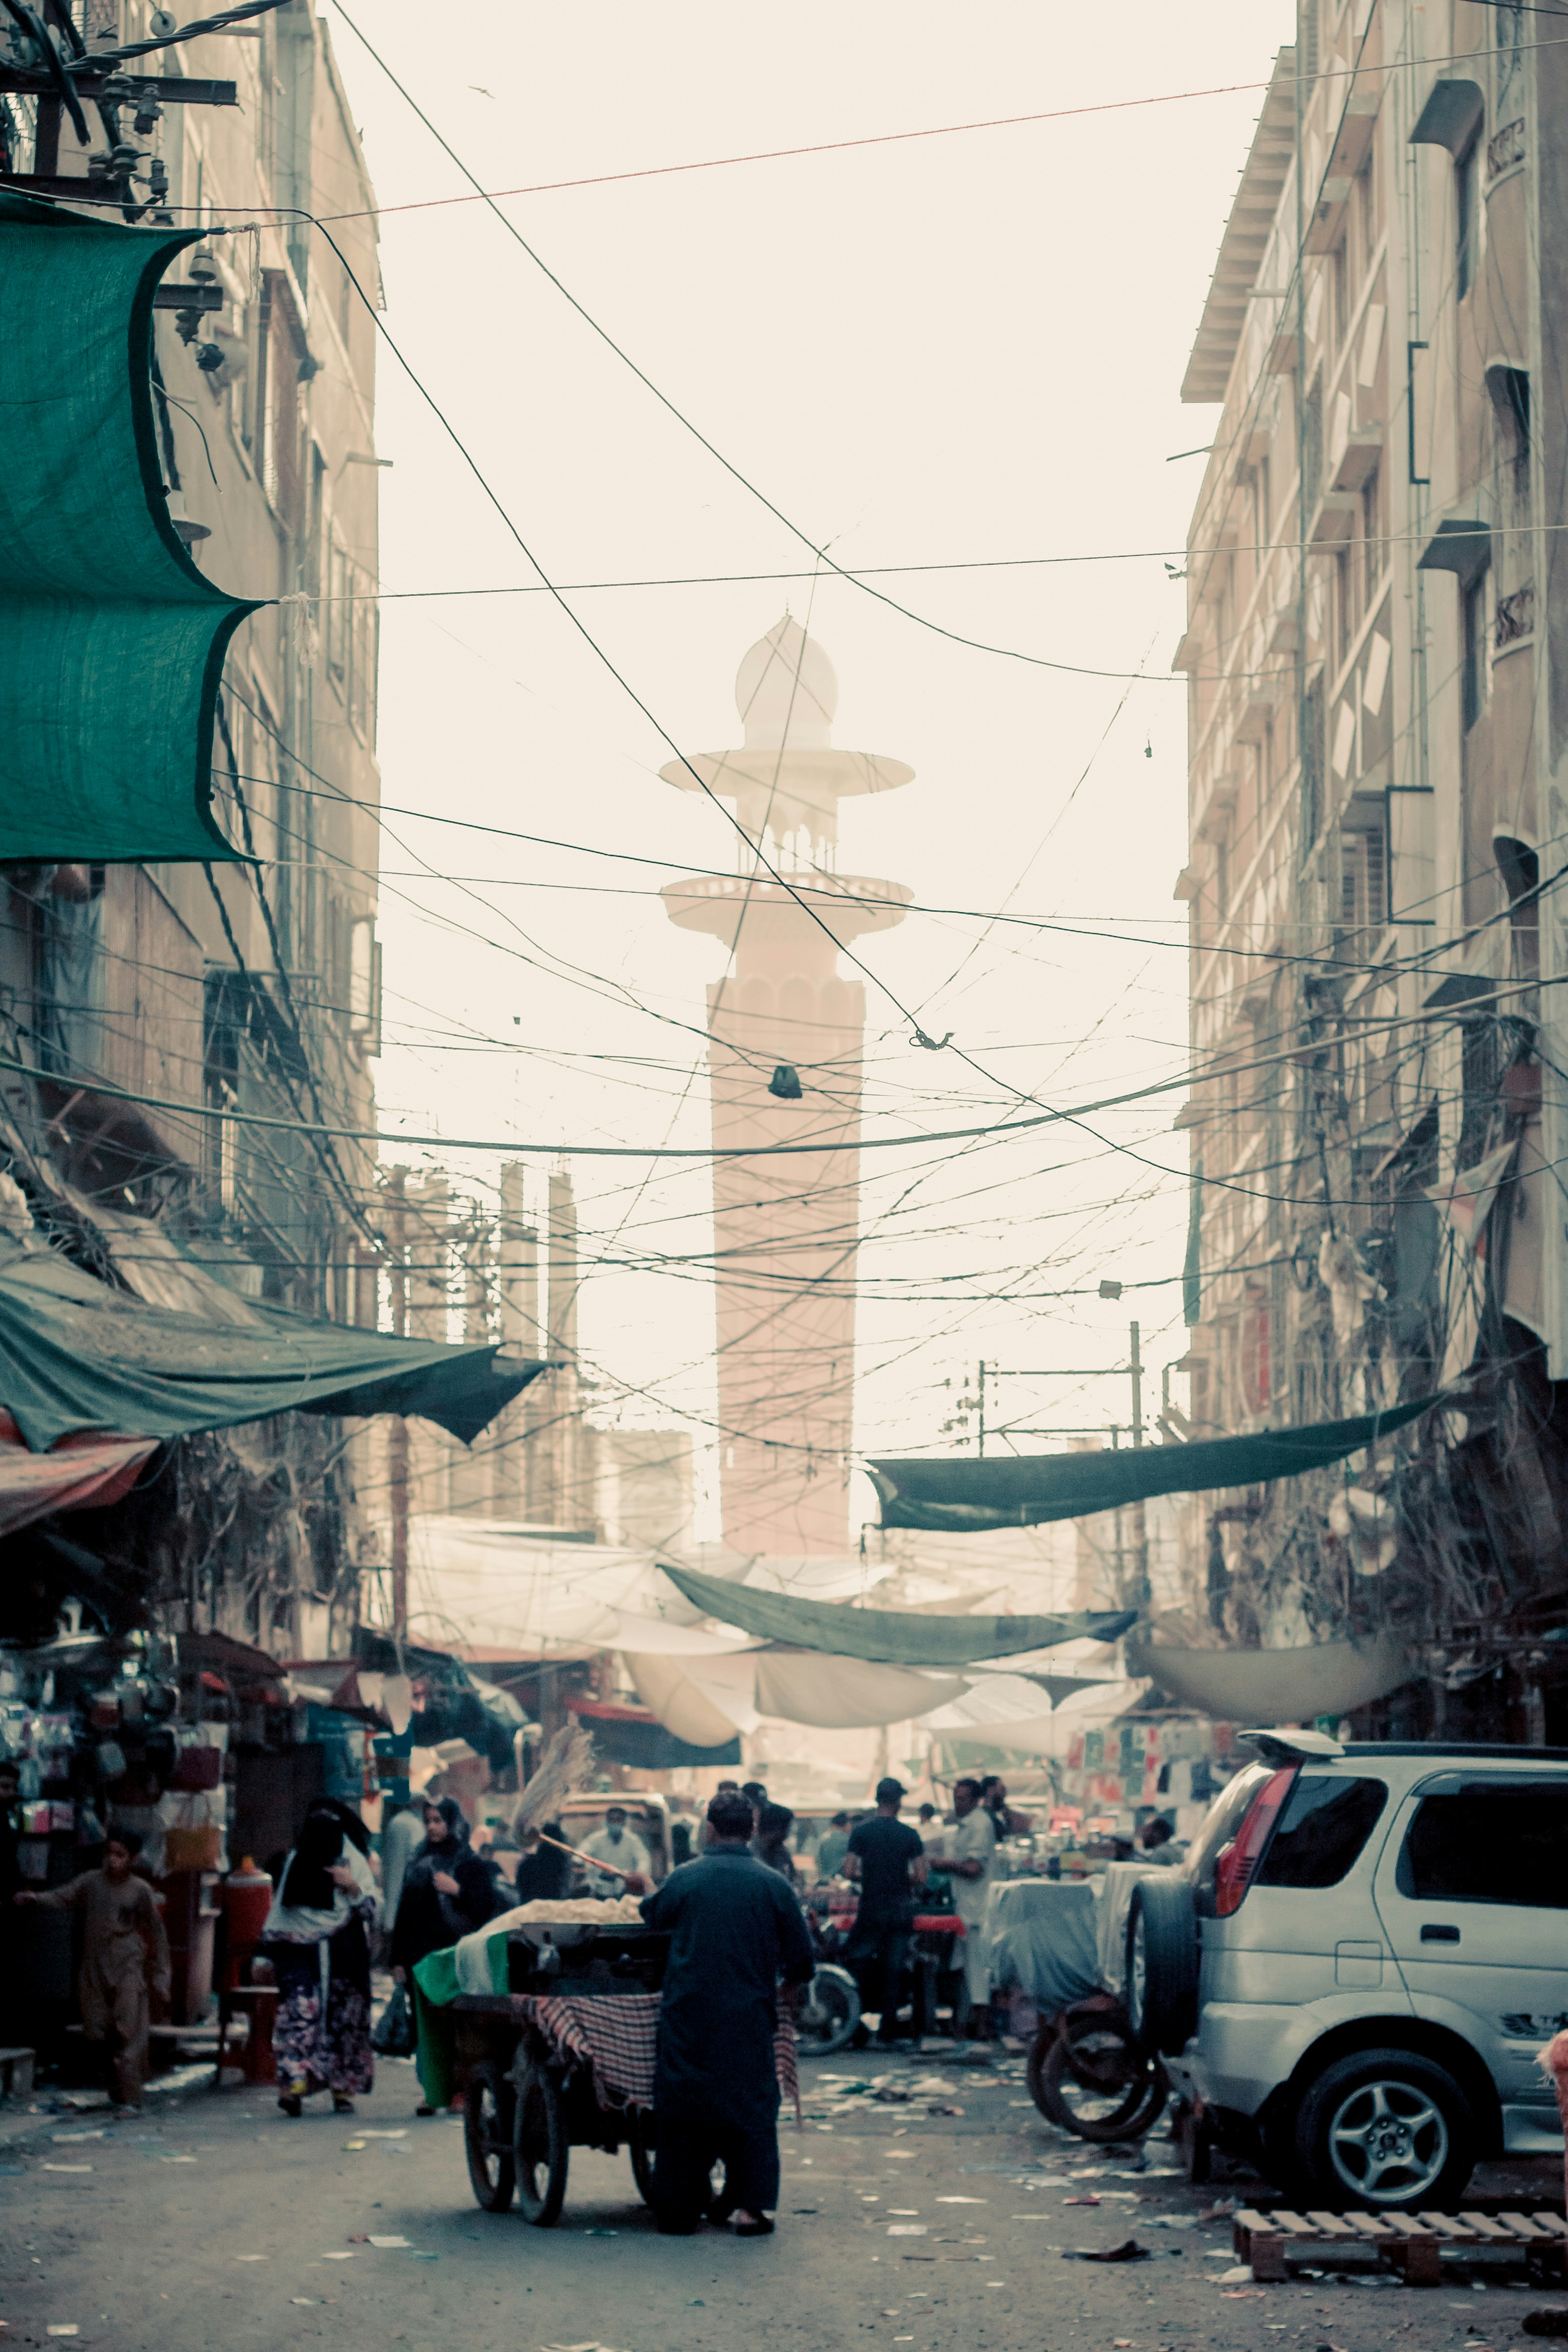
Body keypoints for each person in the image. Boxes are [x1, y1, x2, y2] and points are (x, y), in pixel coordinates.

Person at [632, 1789, 814, 2237]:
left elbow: (653, 1917)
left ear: (709, 1829)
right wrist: (787, 1991)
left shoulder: (686, 1877)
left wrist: (644, 1888)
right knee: (752, 2110)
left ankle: (679, 2210)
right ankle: (753, 2210)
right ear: (751, 1830)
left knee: (683, 2109)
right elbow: (802, 1961)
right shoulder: (774, 1884)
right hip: (748, 2020)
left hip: (689, 2019)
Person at [13, 1830, 169, 2111]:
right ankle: (116, 2089)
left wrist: (161, 1976)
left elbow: (157, 1933)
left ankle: (131, 2099)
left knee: (129, 2030)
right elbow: (64, 1897)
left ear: (133, 1859)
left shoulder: (140, 1890)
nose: (112, 1860)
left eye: (120, 1855)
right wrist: (35, 1899)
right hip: (94, 1966)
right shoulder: (91, 1882)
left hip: (128, 1965)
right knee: (97, 2030)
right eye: (109, 1853)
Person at [259, 1799, 378, 2118]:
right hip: (300, 1957)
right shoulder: (296, 1863)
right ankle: (294, 2087)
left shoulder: (353, 1863)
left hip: (345, 1958)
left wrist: (351, 1887)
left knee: (345, 2021)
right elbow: (280, 1923)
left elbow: (370, 1909)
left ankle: (342, 2090)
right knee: (300, 2014)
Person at [390, 1796, 499, 2110]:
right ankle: (433, 2091)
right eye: (429, 1822)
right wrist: (398, 1959)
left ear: (453, 1823)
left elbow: (487, 1907)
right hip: (422, 1958)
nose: (433, 1827)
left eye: (439, 1821)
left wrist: (458, 1891)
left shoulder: (469, 1863)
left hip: (457, 1956)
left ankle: (461, 2090)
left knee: (458, 2024)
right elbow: (405, 1913)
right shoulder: (418, 1861)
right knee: (428, 2026)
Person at [843, 1779, 927, 2047]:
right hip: (900, 1910)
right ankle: (887, 2031)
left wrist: (869, 1876)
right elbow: (921, 1875)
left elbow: (848, 1871)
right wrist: (899, 1879)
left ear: (878, 1799)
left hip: (870, 1909)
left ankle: (854, 2027)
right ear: (899, 1801)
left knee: (856, 1964)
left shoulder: (861, 1832)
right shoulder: (910, 1835)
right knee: (894, 1969)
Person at [925, 1776, 997, 2037]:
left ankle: (980, 2026)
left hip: (977, 1909)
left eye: (963, 1798)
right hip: (964, 1907)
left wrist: (942, 1864)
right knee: (965, 1968)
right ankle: (964, 2024)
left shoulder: (980, 1825)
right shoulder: (964, 1825)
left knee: (977, 1969)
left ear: (976, 1800)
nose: (958, 1803)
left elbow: (974, 1868)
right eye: (956, 1798)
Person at [579, 1805, 652, 1894]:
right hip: (598, 1889)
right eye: (612, 1819)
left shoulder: (633, 1840)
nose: (615, 1822)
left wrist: (636, 1876)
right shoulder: (596, 1839)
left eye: (618, 1819)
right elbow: (580, 1854)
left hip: (625, 1891)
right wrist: (581, 1863)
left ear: (624, 1822)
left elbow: (643, 1860)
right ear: (607, 1821)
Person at [514, 1821, 571, 1904]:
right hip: (554, 1907)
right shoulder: (563, 1864)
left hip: (530, 1907)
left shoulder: (529, 1863)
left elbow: (520, 1885)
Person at [752, 1801, 796, 1884]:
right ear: (776, 1829)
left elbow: (792, 1877)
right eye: (786, 1829)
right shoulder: (752, 1852)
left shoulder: (780, 1851)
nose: (786, 1834)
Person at [814, 1811, 852, 1879]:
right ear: (847, 1825)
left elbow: (817, 1861)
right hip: (842, 1881)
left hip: (826, 1880)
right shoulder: (848, 1840)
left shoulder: (822, 1839)